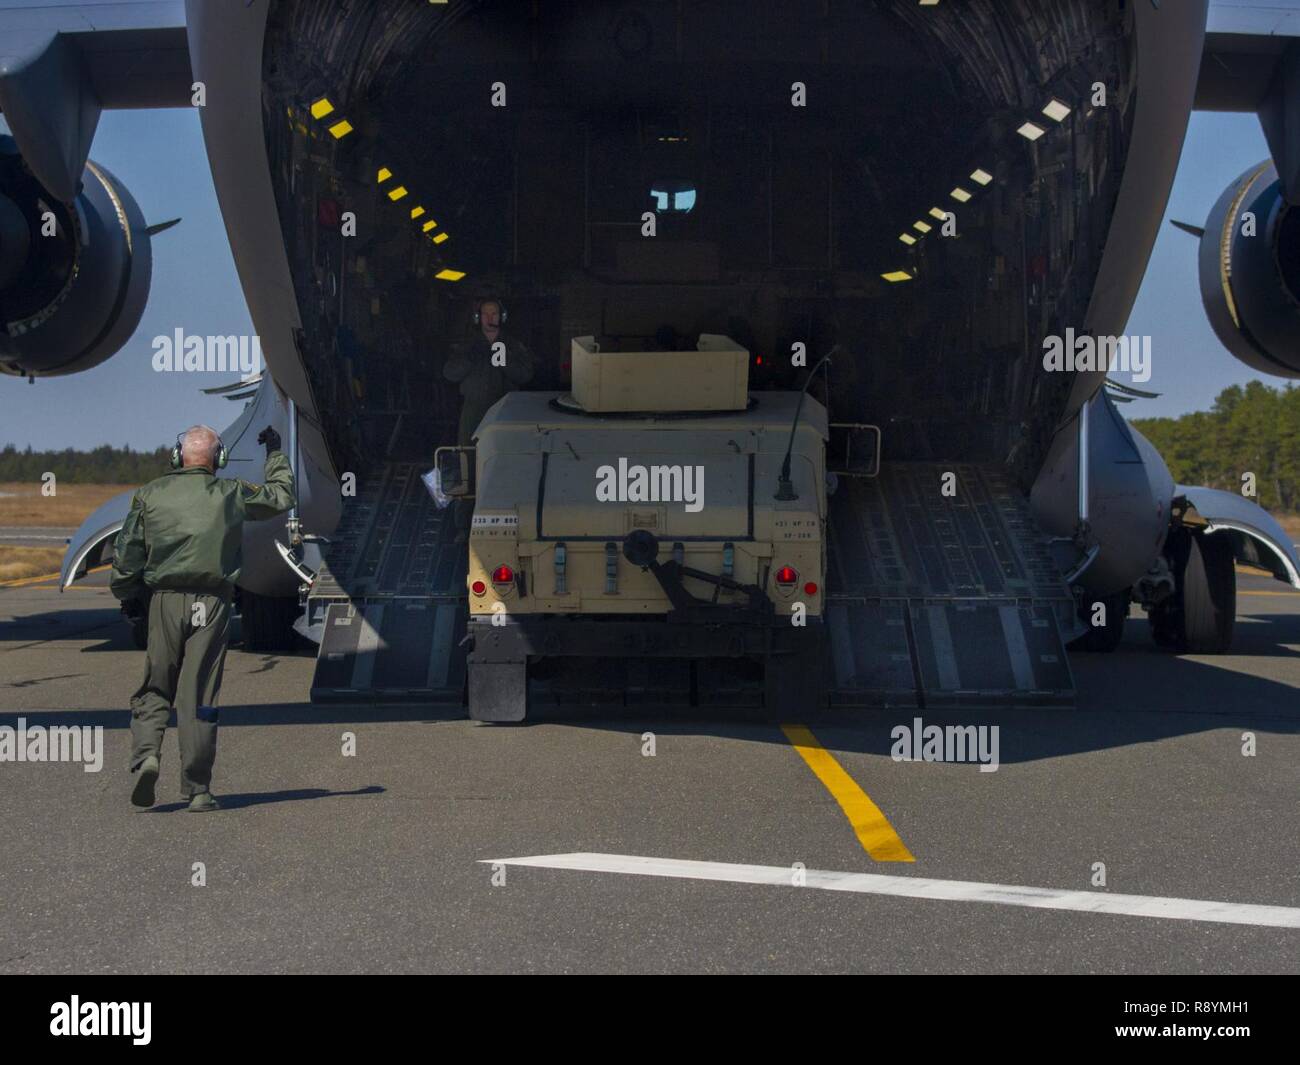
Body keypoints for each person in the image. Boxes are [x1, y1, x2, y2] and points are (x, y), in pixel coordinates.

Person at [110, 424, 296, 812]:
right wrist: (275, 454)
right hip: (211, 604)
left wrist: (127, 595)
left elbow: (128, 552)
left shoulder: (151, 494)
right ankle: (197, 790)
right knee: (198, 695)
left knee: (156, 685)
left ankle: (147, 754)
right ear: (219, 460)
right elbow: (281, 498)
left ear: (178, 457)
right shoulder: (230, 493)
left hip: (165, 601)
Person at [442, 298, 534, 535]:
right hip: (474, 411)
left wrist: (504, 361)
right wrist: (470, 358)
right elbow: (450, 373)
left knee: (505, 464)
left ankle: (508, 522)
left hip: (505, 413)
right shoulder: (469, 346)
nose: (490, 318)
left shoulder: (513, 345)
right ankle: (464, 526)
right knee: (468, 464)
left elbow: (526, 374)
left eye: (494, 313)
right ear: (478, 318)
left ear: (502, 317)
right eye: (485, 314)